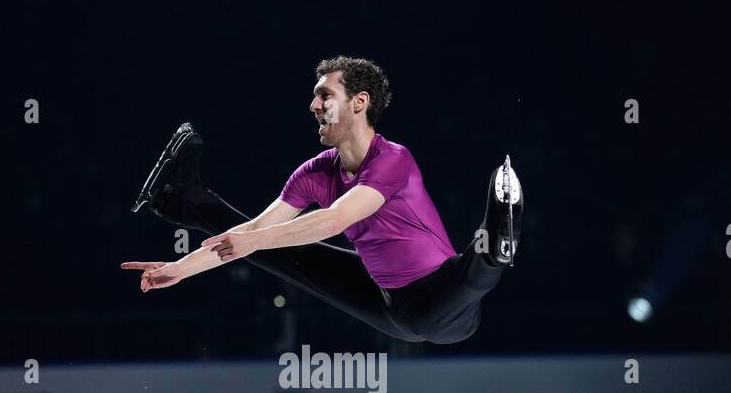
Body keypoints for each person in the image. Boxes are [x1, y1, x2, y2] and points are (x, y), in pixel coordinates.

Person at [127, 55, 523, 344]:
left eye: (324, 95)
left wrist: (252, 242)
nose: (313, 105)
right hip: (388, 306)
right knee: (274, 248)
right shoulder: (315, 172)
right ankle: (187, 201)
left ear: (359, 101)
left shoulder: (392, 160)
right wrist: (180, 269)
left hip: (442, 305)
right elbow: (251, 232)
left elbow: (335, 220)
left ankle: (498, 241)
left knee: (474, 271)